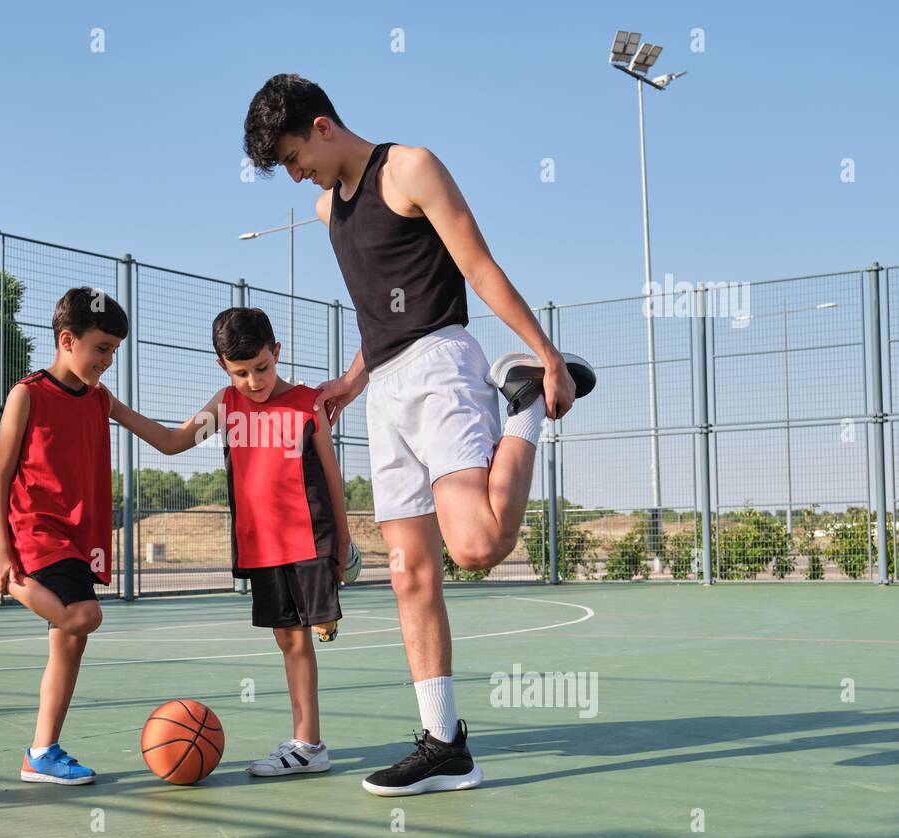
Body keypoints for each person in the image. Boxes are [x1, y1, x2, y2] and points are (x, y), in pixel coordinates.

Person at [243, 74, 595, 797]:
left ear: (322, 125)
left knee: (476, 546)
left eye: (292, 155)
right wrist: (350, 380)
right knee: (409, 572)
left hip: (443, 365)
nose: (294, 172)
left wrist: (549, 354)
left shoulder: (410, 168)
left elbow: (477, 265)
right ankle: (444, 743)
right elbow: (381, 312)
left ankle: (523, 399)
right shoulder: (323, 211)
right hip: (388, 389)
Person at [108, 307, 351, 777]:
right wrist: (115, 408)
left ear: (275, 353)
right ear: (223, 367)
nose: (254, 381)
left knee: (298, 640)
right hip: (261, 544)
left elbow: (334, 479)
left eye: (261, 368)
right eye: (241, 372)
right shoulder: (226, 404)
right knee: (287, 638)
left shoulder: (307, 404)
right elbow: (173, 442)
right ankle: (308, 742)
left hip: (308, 538)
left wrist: (341, 545)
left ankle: (308, 742)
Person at [0, 286, 128, 786]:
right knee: (84, 616)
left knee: (69, 643)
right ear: (67, 339)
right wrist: (0, 550)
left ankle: (41, 753)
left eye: (114, 351)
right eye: (101, 349)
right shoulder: (28, 394)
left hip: (77, 534)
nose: (108, 361)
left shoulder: (100, 399)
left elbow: (167, 441)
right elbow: (0, 476)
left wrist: (222, 409)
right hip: (36, 528)